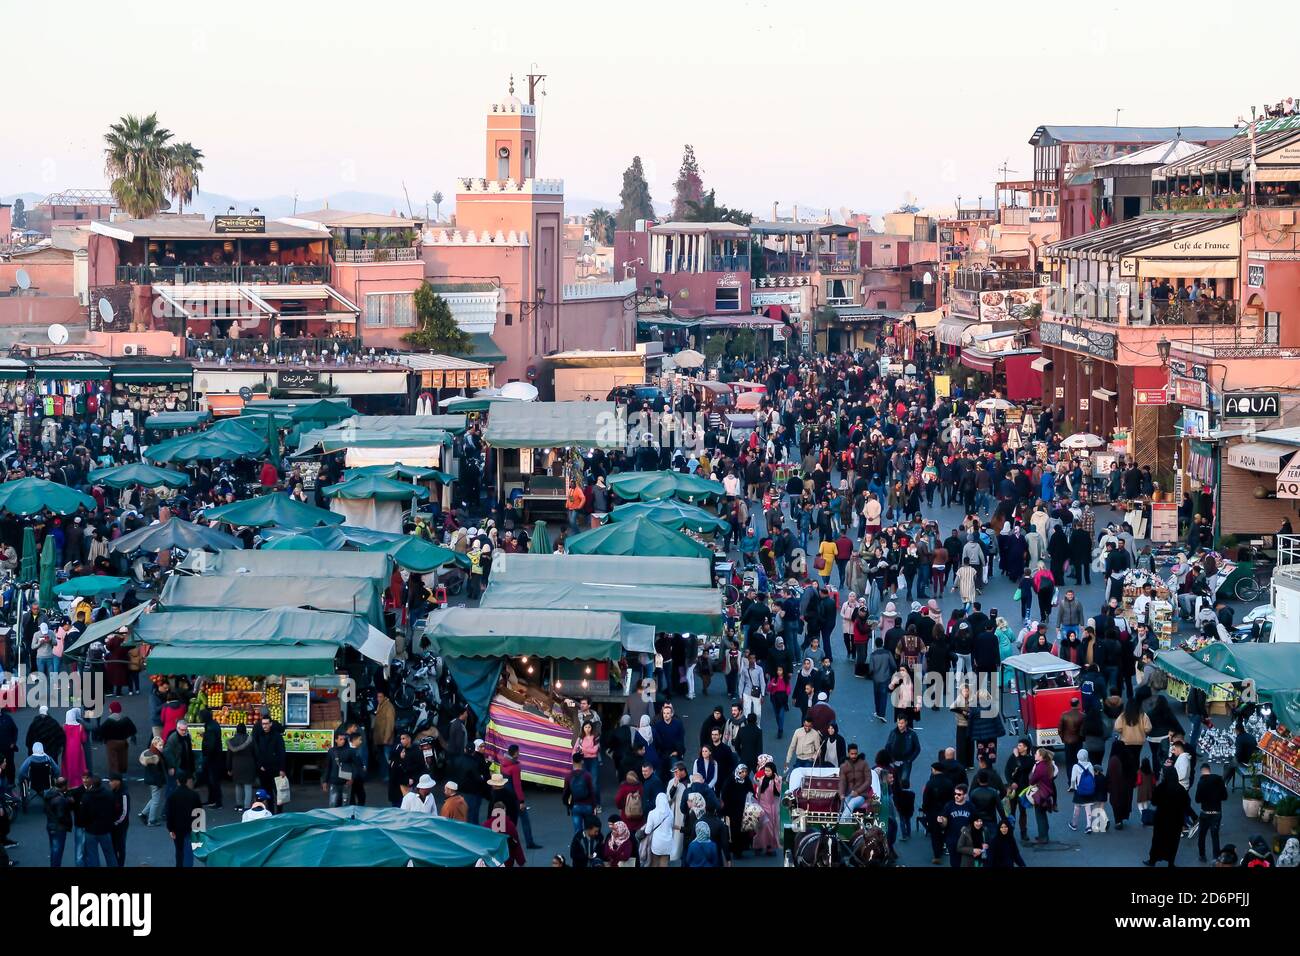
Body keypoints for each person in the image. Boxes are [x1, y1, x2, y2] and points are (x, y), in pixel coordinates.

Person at [1144, 770, 1190, 867]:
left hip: (1161, 819)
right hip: (1176, 821)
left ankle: (1153, 860)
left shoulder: (1161, 788)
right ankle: (1171, 862)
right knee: (1173, 842)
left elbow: (1154, 802)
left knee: (1157, 840)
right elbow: (1186, 805)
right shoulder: (1181, 789)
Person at [164, 774, 203, 867]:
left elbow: (169, 814)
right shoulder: (194, 795)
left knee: (179, 851)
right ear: (187, 781)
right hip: (191, 827)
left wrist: (170, 829)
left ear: (177, 782)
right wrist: (199, 828)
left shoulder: (172, 796)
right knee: (189, 851)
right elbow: (199, 812)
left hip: (177, 828)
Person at [1194, 763, 1227, 863]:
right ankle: (1216, 857)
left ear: (1202, 771)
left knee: (1202, 835)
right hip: (1217, 813)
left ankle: (1202, 855)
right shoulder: (1219, 780)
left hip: (1205, 813)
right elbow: (1225, 797)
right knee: (1215, 836)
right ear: (1209, 770)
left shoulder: (1201, 782)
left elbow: (1197, 800)